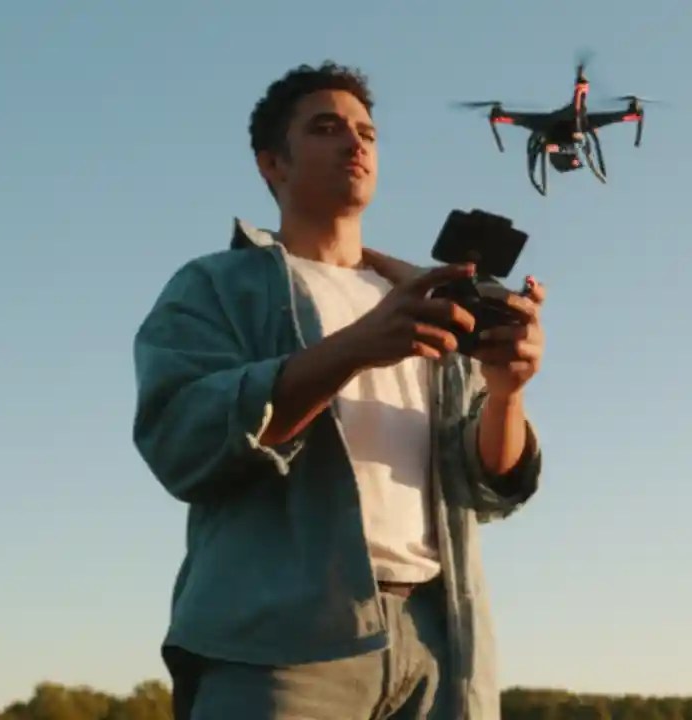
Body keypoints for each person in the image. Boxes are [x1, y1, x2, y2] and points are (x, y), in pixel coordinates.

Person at [130, 60, 547, 719]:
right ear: (273, 163)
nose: (355, 143)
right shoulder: (213, 286)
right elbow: (181, 439)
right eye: (327, 128)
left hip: (440, 647)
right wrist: (354, 347)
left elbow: (484, 484)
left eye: (367, 132)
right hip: (283, 643)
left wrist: (507, 392)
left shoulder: (425, 298)